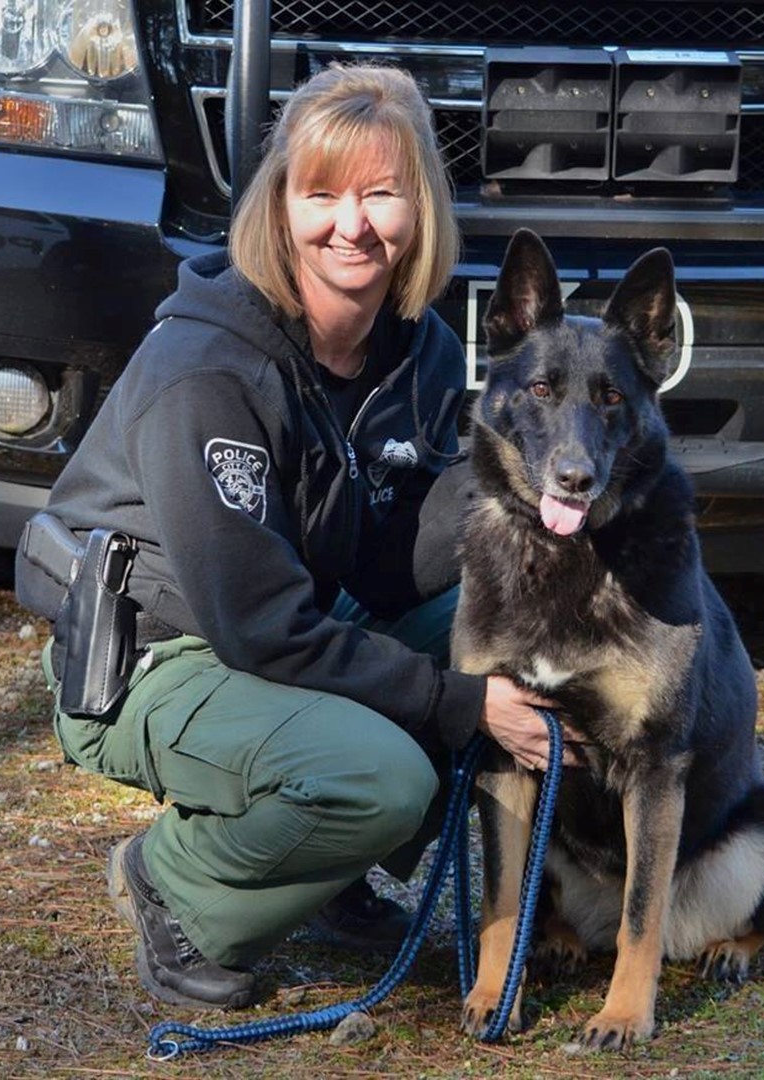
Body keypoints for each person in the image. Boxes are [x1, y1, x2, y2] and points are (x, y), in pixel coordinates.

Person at [31, 63, 578, 1011]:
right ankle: (179, 884)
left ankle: (325, 873)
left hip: (288, 622)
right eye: (321, 194)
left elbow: (388, 562)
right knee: (384, 779)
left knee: (527, 636)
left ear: (422, 209)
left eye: (381, 194)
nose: (351, 224)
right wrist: (457, 703)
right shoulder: (209, 367)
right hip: (154, 656)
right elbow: (259, 625)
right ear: (279, 205)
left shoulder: (421, 349)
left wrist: (520, 492)